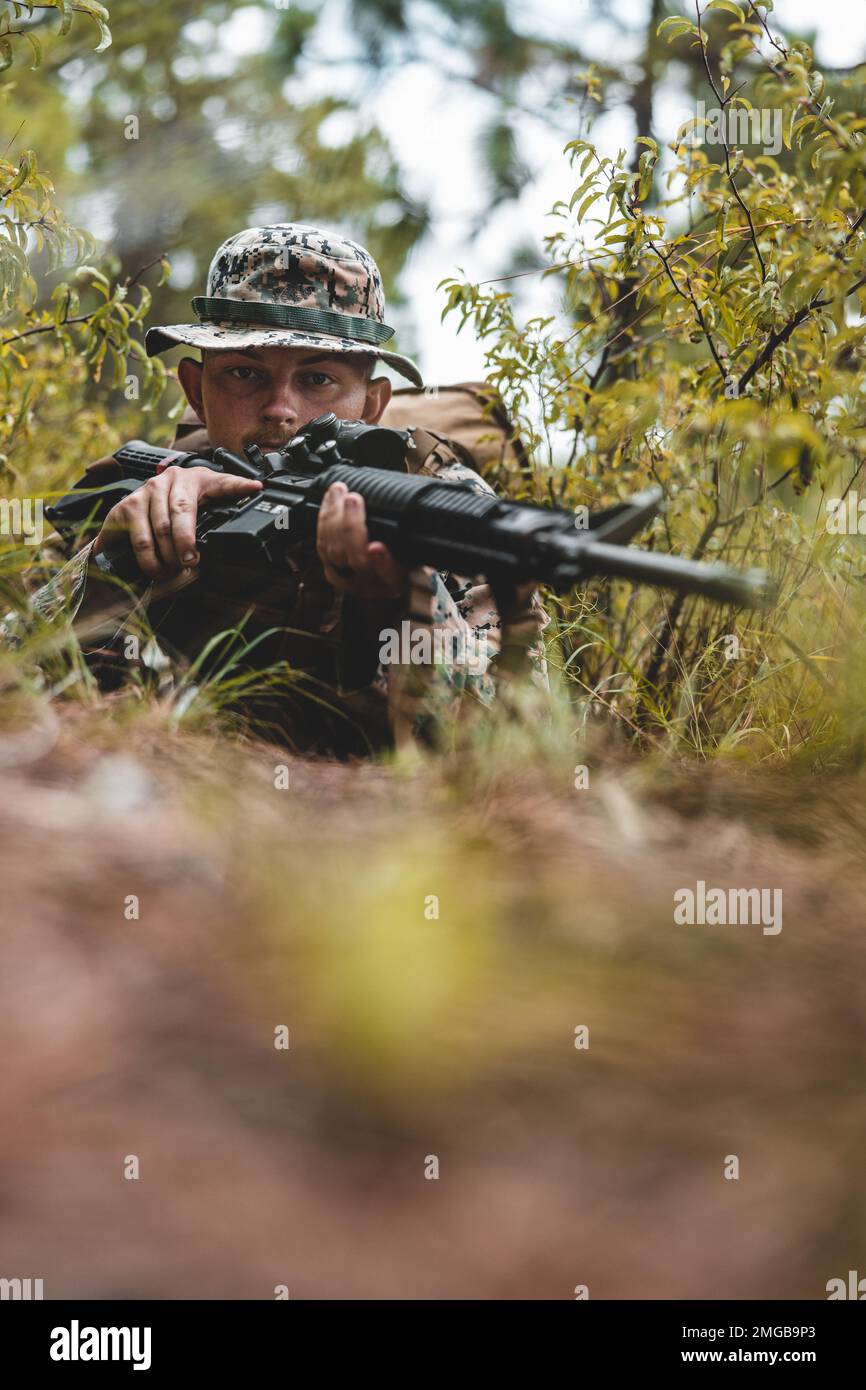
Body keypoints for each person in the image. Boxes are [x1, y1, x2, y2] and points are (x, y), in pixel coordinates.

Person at [28, 223, 548, 755]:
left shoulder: (443, 506)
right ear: (195, 390)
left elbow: (510, 737)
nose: (281, 409)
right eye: (244, 374)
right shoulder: (159, 490)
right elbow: (16, 673)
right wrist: (108, 560)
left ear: (371, 405)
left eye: (317, 379)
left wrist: (403, 599)